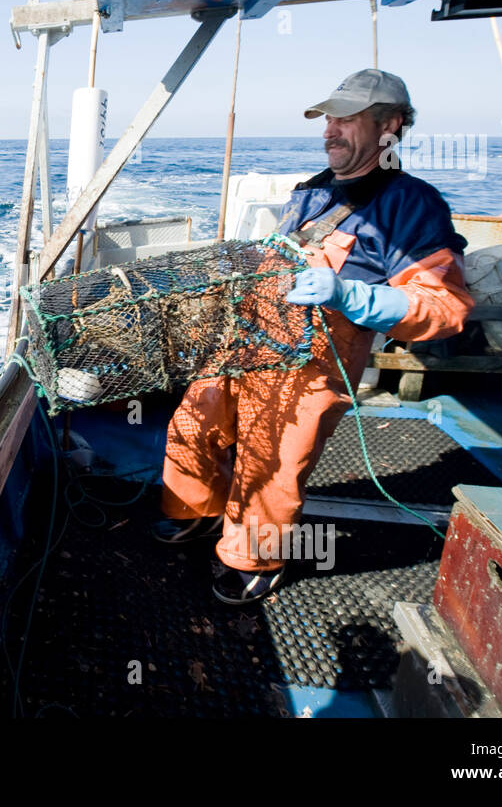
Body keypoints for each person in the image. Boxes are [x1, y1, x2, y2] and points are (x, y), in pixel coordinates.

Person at [156, 69, 475, 605]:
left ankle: (252, 558)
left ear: (390, 127)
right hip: (248, 341)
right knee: (194, 419)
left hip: (312, 361)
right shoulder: (311, 192)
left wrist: (351, 296)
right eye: (329, 118)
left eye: (346, 119)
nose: (330, 129)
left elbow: (446, 309)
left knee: (272, 461)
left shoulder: (412, 204)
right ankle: (197, 510)